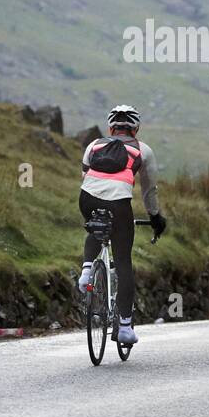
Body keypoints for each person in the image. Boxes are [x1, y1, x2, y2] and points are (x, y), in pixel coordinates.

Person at [76, 105, 166, 346]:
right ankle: (125, 327)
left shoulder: (93, 145)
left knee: (96, 223)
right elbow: (149, 191)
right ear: (135, 129)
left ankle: (86, 271)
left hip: (86, 197)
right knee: (123, 261)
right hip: (119, 203)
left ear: (110, 127)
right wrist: (156, 217)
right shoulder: (143, 150)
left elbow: (85, 176)